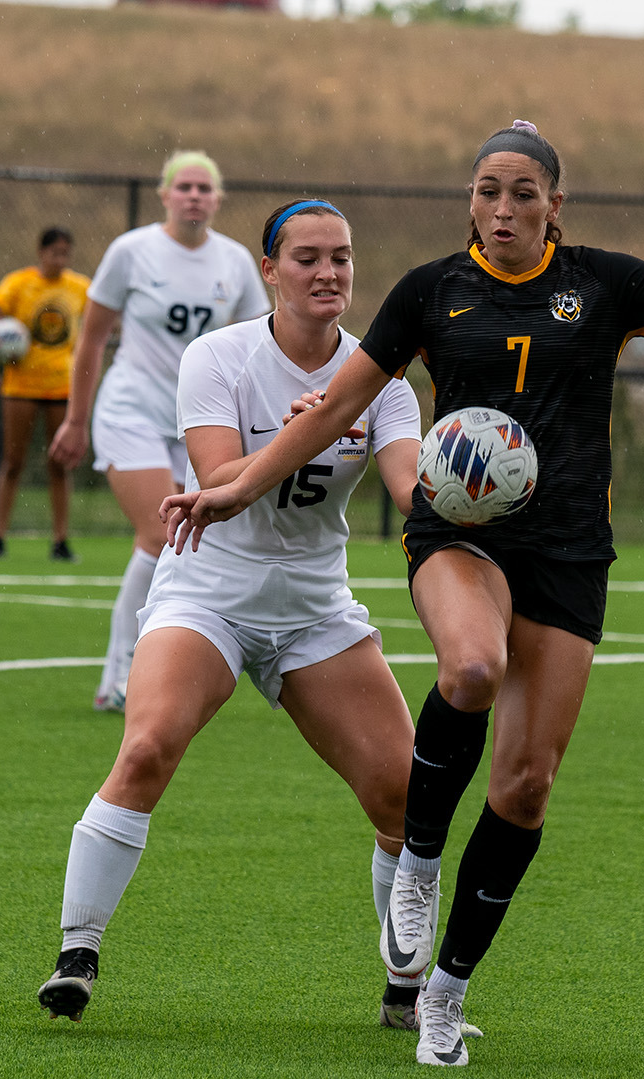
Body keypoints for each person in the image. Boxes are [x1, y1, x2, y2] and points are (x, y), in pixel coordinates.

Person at [161, 120, 644, 1068]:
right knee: (469, 667)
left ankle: (445, 996)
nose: (501, 209)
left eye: (521, 193)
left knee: (527, 784)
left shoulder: (607, 284)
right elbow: (339, 405)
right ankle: (418, 864)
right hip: (459, 534)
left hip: (569, 553)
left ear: (555, 203)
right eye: (486, 191)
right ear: (470, 200)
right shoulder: (430, 292)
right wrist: (233, 488)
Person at [37, 199, 439, 1030]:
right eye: (307, 258)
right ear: (269, 271)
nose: (329, 273)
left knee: (404, 798)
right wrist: (303, 435)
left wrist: (457, 481)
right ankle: (77, 954)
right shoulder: (218, 356)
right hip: (209, 592)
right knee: (146, 747)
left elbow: (410, 491)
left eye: (342, 257)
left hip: (314, 606)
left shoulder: (384, 381)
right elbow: (218, 482)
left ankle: (407, 992)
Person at [49, 151, 270, 712]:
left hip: (197, 420)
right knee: (159, 535)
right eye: (185, 186)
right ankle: (118, 677)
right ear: (165, 195)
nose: (194, 196)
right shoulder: (133, 252)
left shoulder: (236, 261)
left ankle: (163, 668)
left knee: (183, 547)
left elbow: (254, 348)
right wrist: (76, 419)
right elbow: (93, 339)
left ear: (218, 200)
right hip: (132, 411)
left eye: (205, 188)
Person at [0, 226, 88, 562]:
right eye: (54, 252)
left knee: (59, 465)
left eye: (65, 253)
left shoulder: (80, 287)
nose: (60, 259)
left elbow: (104, 323)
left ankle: (60, 541)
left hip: (61, 387)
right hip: (20, 388)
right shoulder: (17, 284)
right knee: (12, 462)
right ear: (41, 253)